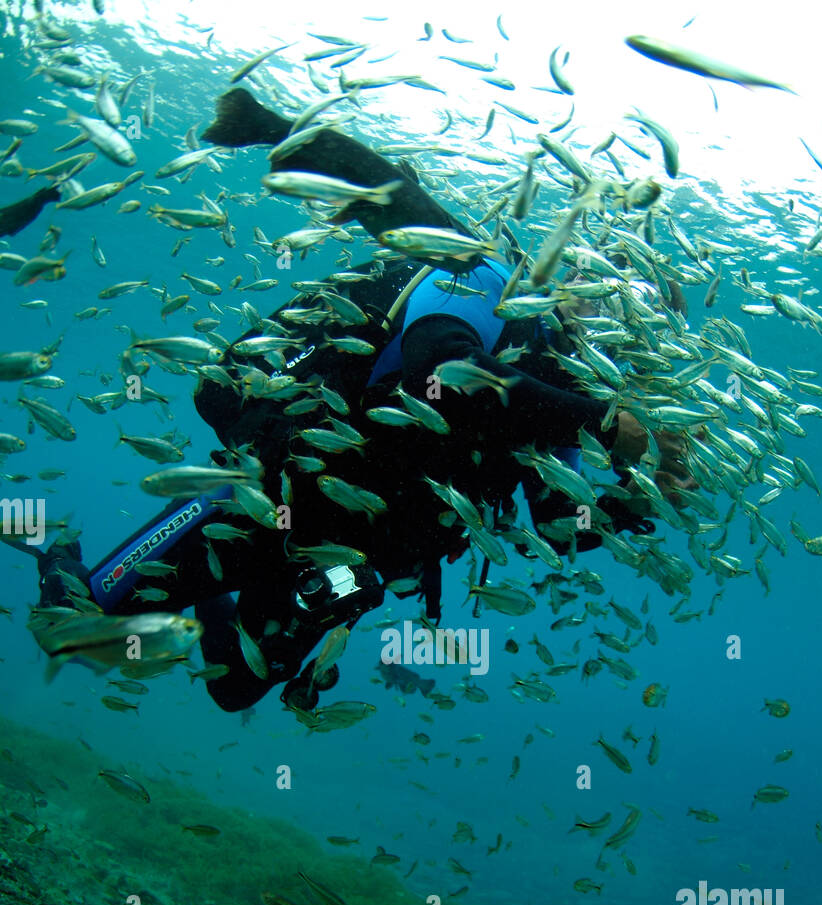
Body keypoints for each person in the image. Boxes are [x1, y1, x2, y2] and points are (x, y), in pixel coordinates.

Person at [36, 89, 693, 713]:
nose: (608, 326)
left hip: (354, 564)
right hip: (278, 494)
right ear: (569, 276)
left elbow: (555, 530)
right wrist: (602, 422)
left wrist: (637, 502)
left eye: (632, 331)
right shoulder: (482, 281)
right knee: (80, 624)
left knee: (235, 687)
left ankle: (201, 608)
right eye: (607, 297)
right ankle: (65, 554)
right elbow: (437, 375)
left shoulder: (559, 411)